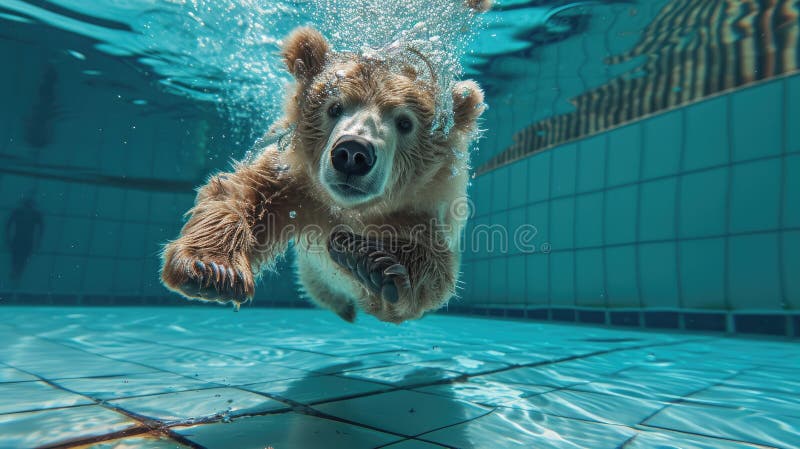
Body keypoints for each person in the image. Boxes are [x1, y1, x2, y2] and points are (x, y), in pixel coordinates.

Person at [5, 196, 43, 283]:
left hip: (19, 240)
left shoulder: (19, 212)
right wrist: (38, 241)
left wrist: (7, 239)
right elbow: (41, 228)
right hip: (25, 240)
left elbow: (8, 225)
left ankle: (16, 274)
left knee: (18, 258)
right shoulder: (34, 214)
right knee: (21, 259)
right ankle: (17, 274)